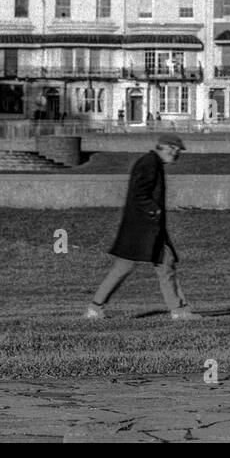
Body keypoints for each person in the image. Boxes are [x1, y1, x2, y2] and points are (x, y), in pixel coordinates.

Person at [85, 133, 200, 321]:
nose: (177, 154)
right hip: (144, 228)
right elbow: (140, 193)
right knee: (145, 266)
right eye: (176, 150)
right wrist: (154, 210)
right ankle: (179, 311)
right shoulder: (150, 163)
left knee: (157, 264)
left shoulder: (152, 162)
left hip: (143, 226)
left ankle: (95, 308)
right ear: (167, 147)